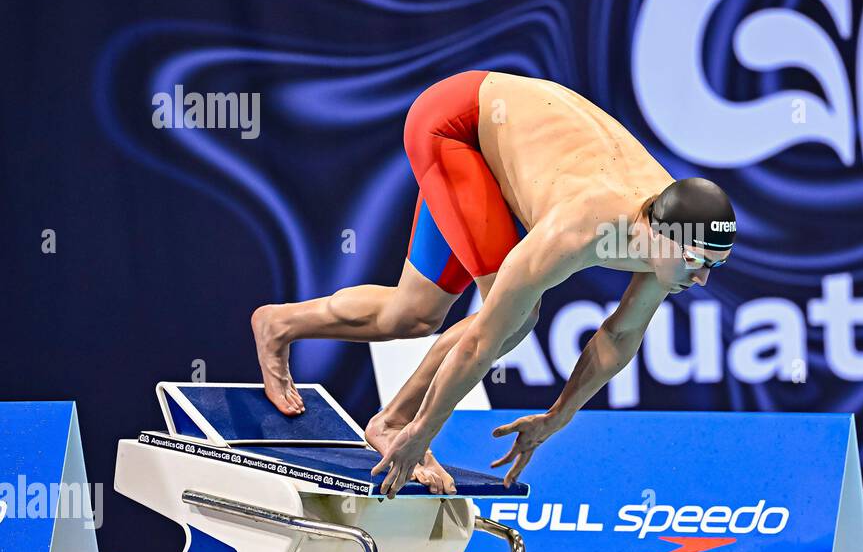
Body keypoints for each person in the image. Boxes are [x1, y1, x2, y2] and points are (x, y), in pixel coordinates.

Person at [251, 71, 735, 496]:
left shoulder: (669, 239)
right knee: (514, 318)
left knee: (414, 314)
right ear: (655, 232)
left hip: (502, 138)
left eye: (715, 263)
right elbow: (485, 338)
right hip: (455, 126)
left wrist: (557, 417)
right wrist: (422, 432)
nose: (702, 277)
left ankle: (279, 323)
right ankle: (394, 421)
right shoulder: (581, 225)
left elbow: (621, 334)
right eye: (696, 260)